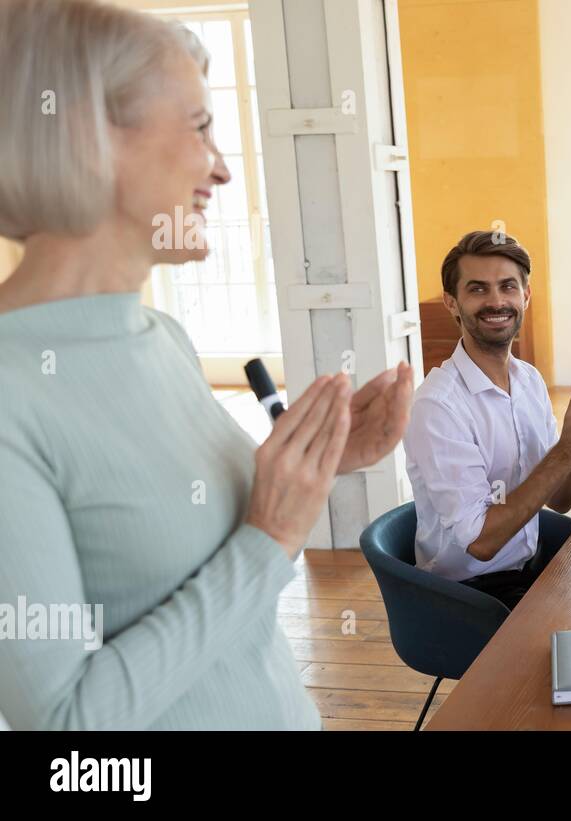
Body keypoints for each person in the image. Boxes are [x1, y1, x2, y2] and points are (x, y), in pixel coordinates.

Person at [0, 0, 412, 729]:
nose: (221, 168)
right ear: (88, 136)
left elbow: (177, 521)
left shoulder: (160, 336)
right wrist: (273, 539)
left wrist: (322, 459)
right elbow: (64, 729)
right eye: (199, 128)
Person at [404, 230, 571, 609]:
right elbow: (481, 542)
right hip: (469, 594)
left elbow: (561, 500)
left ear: (525, 295)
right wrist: (566, 451)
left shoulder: (528, 379)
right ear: (452, 303)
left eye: (507, 287)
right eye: (477, 289)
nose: (496, 301)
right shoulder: (437, 406)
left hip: (529, 568)